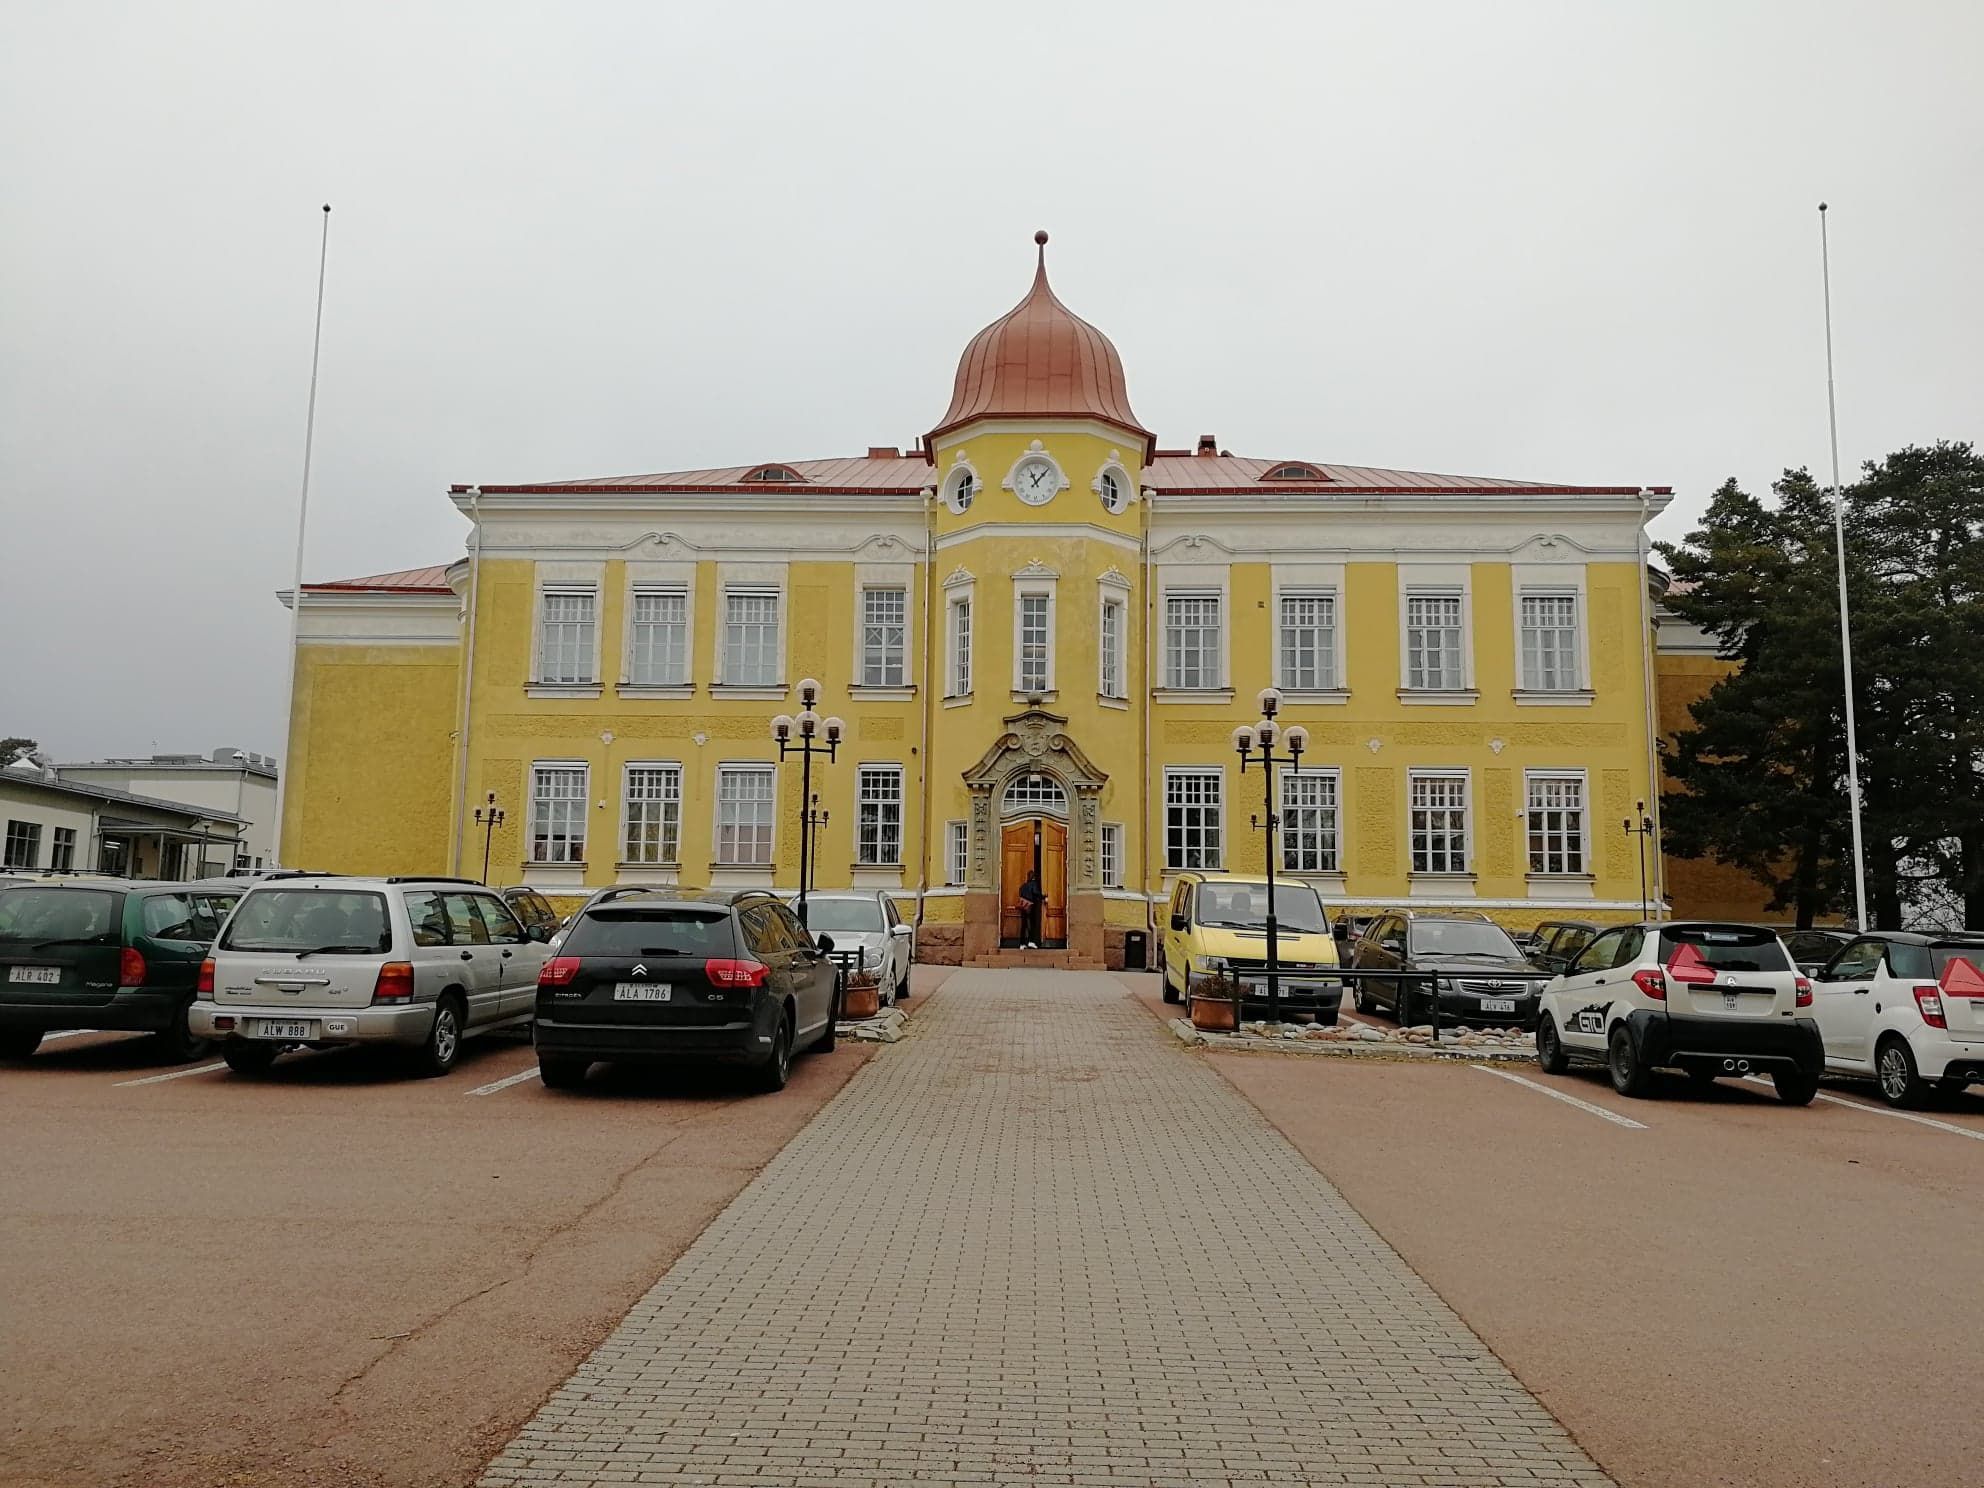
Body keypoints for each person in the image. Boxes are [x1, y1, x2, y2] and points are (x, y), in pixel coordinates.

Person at [1018, 869, 1044, 949]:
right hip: (1030, 907)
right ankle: (1031, 942)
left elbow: (1020, 893)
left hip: (1023, 907)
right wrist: (1044, 897)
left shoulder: (1023, 886)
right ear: (1034, 877)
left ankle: (1022, 944)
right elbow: (1036, 893)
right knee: (1032, 924)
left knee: (1024, 925)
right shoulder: (1033, 884)